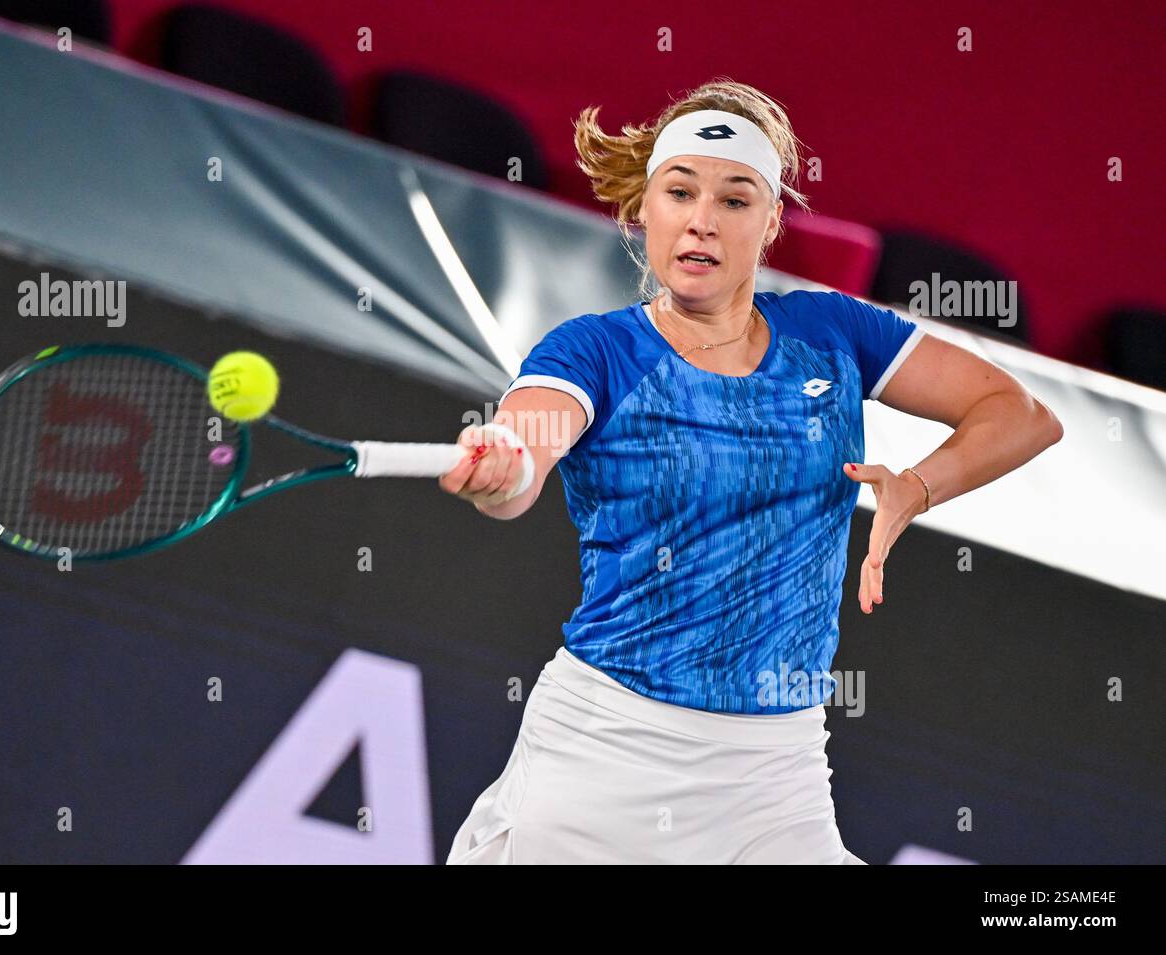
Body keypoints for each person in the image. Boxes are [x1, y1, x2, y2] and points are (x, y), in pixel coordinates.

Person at [437, 78, 1063, 864]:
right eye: (680, 191)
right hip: (603, 758)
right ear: (646, 208)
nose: (702, 218)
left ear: (770, 221)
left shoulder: (832, 331)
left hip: (776, 777)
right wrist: (507, 466)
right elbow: (527, 450)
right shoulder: (594, 350)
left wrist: (921, 481)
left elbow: (1022, 413)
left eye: (735, 200)